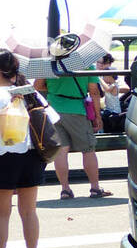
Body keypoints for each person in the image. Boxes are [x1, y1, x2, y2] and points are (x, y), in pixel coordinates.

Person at [36, 69, 112, 199]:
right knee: (88, 149)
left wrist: (54, 90)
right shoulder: (86, 64)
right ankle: (95, 188)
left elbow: (37, 86)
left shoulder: (50, 63)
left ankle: (65, 189)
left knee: (61, 151)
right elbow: (94, 92)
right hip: (78, 110)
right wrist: (97, 116)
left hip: (53, 110)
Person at [0, 51, 43, 248]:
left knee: (2, 213)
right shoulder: (27, 90)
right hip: (31, 155)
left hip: (3, 157)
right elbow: (51, 118)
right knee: (29, 211)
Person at [97, 54, 126, 133]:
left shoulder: (114, 85)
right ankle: (101, 130)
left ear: (110, 77)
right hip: (109, 108)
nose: (104, 78)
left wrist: (99, 79)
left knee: (103, 117)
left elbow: (107, 89)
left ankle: (101, 131)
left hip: (114, 111)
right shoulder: (111, 85)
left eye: (105, 76)